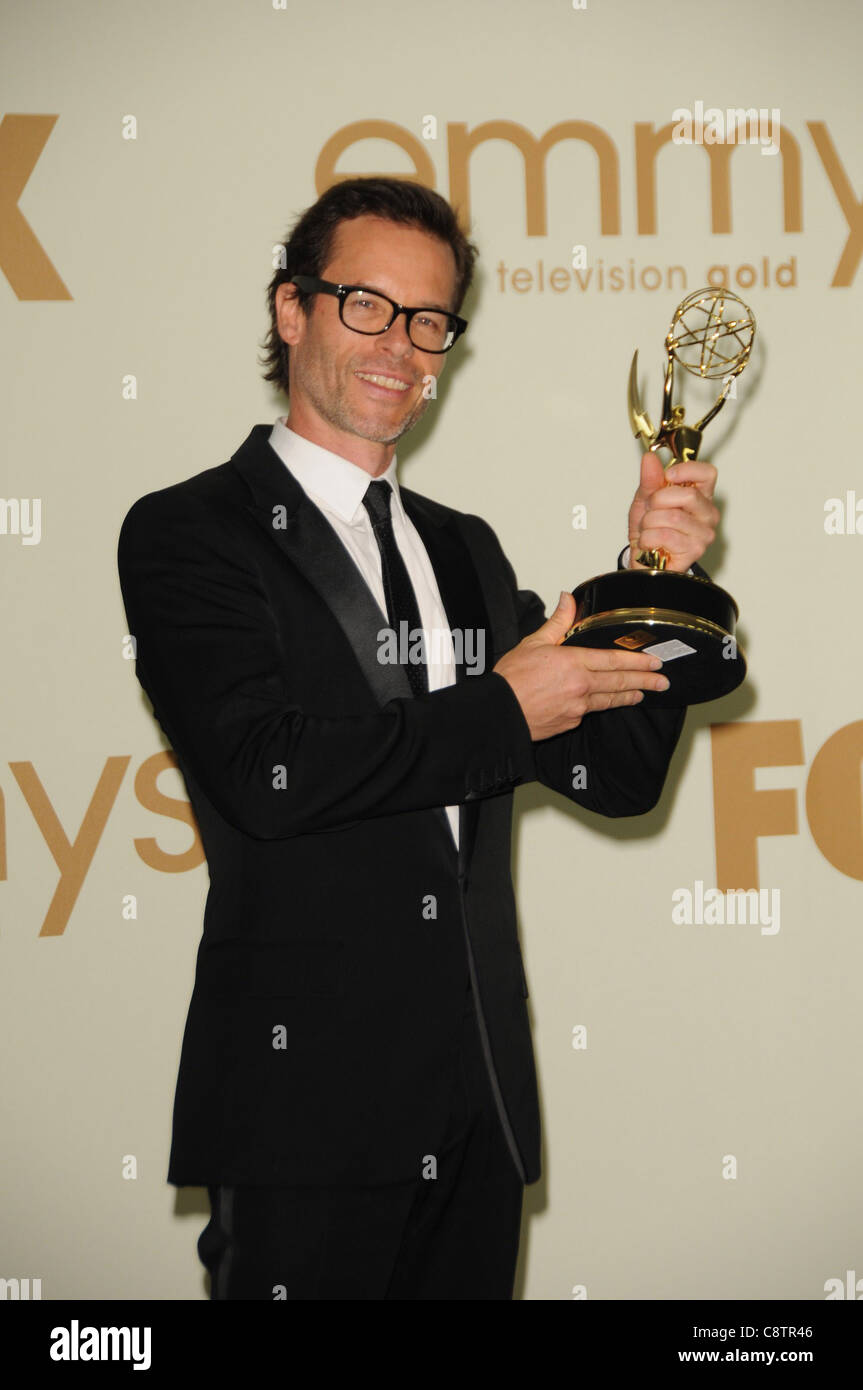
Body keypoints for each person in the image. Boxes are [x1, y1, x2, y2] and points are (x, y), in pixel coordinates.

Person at [117, 176, 719, 1300]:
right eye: (365, 305)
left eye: (429, 318)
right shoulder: (189, 530)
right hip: (301, 1119)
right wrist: (500, 705)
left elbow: (612, 773)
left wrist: (654, 580)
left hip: (478, 1103)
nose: (401, 344)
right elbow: (266, 774)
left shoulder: (465, 549)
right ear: (290, 310)